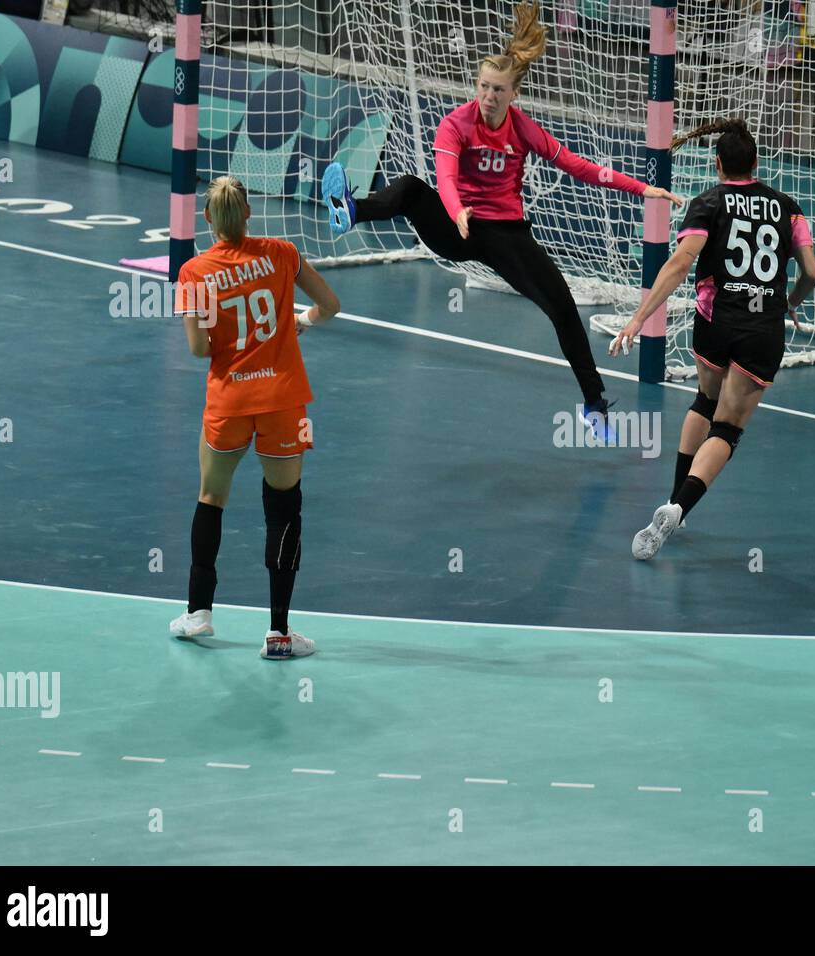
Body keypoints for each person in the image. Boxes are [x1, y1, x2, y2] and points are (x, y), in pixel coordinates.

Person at [321, 1, 682, 424]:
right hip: (459, 227)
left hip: (507, 236)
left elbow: (578, 167)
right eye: (483, 86)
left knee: (562, 308)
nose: (489, 96)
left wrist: (643, 188)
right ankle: (351, 209)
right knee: (410, 188)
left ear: (514, 94)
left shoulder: (522, 127)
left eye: (498, 89)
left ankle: (594, 404)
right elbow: (447, 179)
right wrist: (456, 212)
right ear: (476, 86)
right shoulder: (455, 124)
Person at [609, 118, 815, 560]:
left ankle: (673, 498)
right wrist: (790, 302)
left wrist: (637, 319)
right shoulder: (788, 207)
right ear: (758, 163)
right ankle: (678, 507)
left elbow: (679, 265)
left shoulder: (708, 202)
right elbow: (812, 273)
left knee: (704, 402)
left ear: (717, 164)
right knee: (727, 428)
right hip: (763, 329)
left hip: (715, 322)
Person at [169, 176, 340, 661]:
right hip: (283, 400)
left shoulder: (195, 272)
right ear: (249, 213)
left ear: (208, 219)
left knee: (211, 498)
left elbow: (200, 348)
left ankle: (199, 612)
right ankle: (280, 634)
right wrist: (297, 324)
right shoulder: (282, 253)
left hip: (229, 402)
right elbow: (330, 306)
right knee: (283, 508)